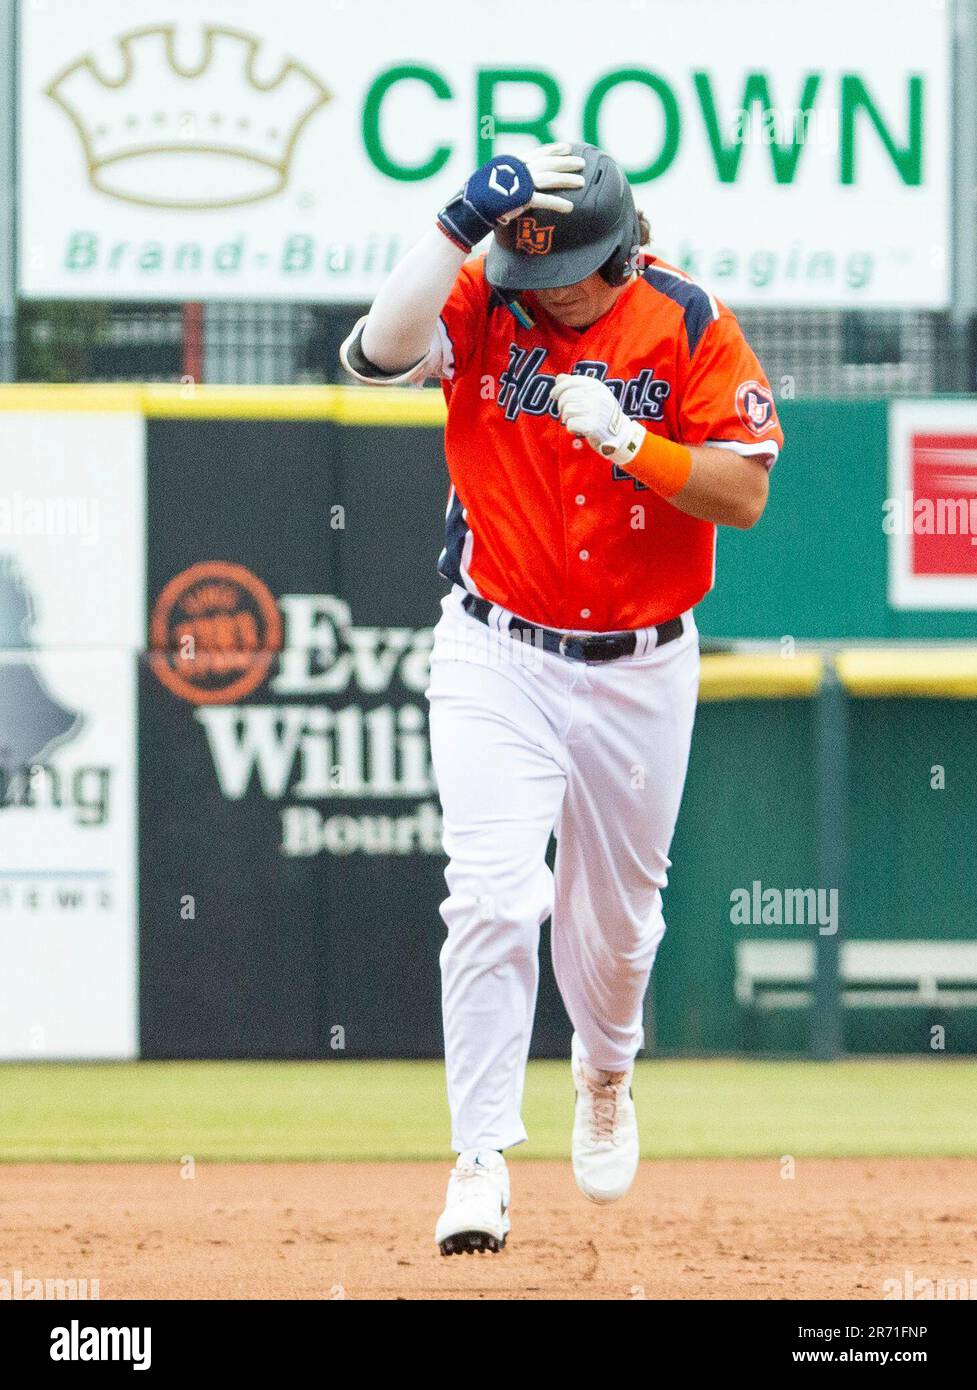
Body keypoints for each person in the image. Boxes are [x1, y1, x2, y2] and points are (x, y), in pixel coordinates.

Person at [340, 142, 783, 1255]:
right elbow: (376, 350)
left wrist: (637, 445)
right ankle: (479, 1154)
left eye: (562, 273)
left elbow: (744, 491)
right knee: (491, 896)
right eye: (519, 265)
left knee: (620, 927)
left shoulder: (683, 316)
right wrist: (454, 223)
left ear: (619, 253)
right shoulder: (489, 294)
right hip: (497, 647)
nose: (537, 291)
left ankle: (605, 1071)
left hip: (640, 666)